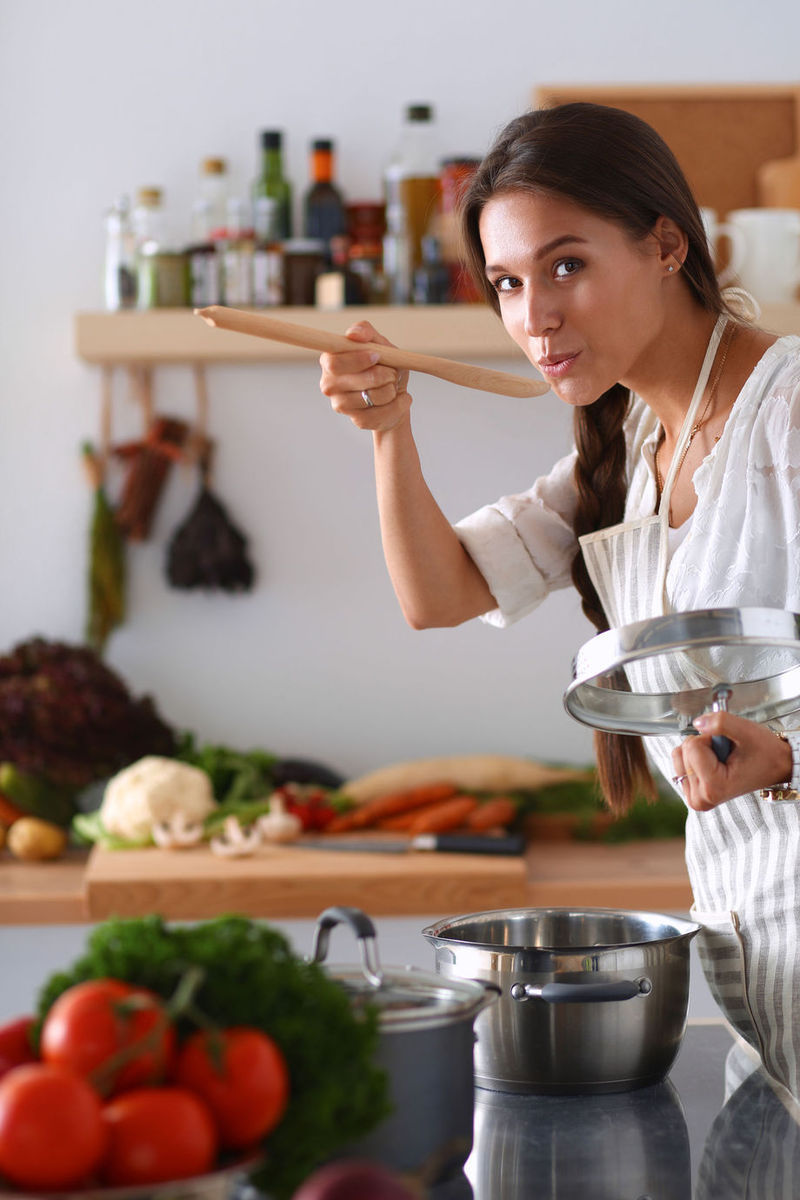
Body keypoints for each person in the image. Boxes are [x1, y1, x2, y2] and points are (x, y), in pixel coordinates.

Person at [318, 102, 800, 1098]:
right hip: (758, 978)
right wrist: (386, 431)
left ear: (666, 243)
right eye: (505, 281)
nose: (531, 317)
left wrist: (784, 757)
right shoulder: (627, 444)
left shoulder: (785, 414)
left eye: (565, 266)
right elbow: (439, 594)